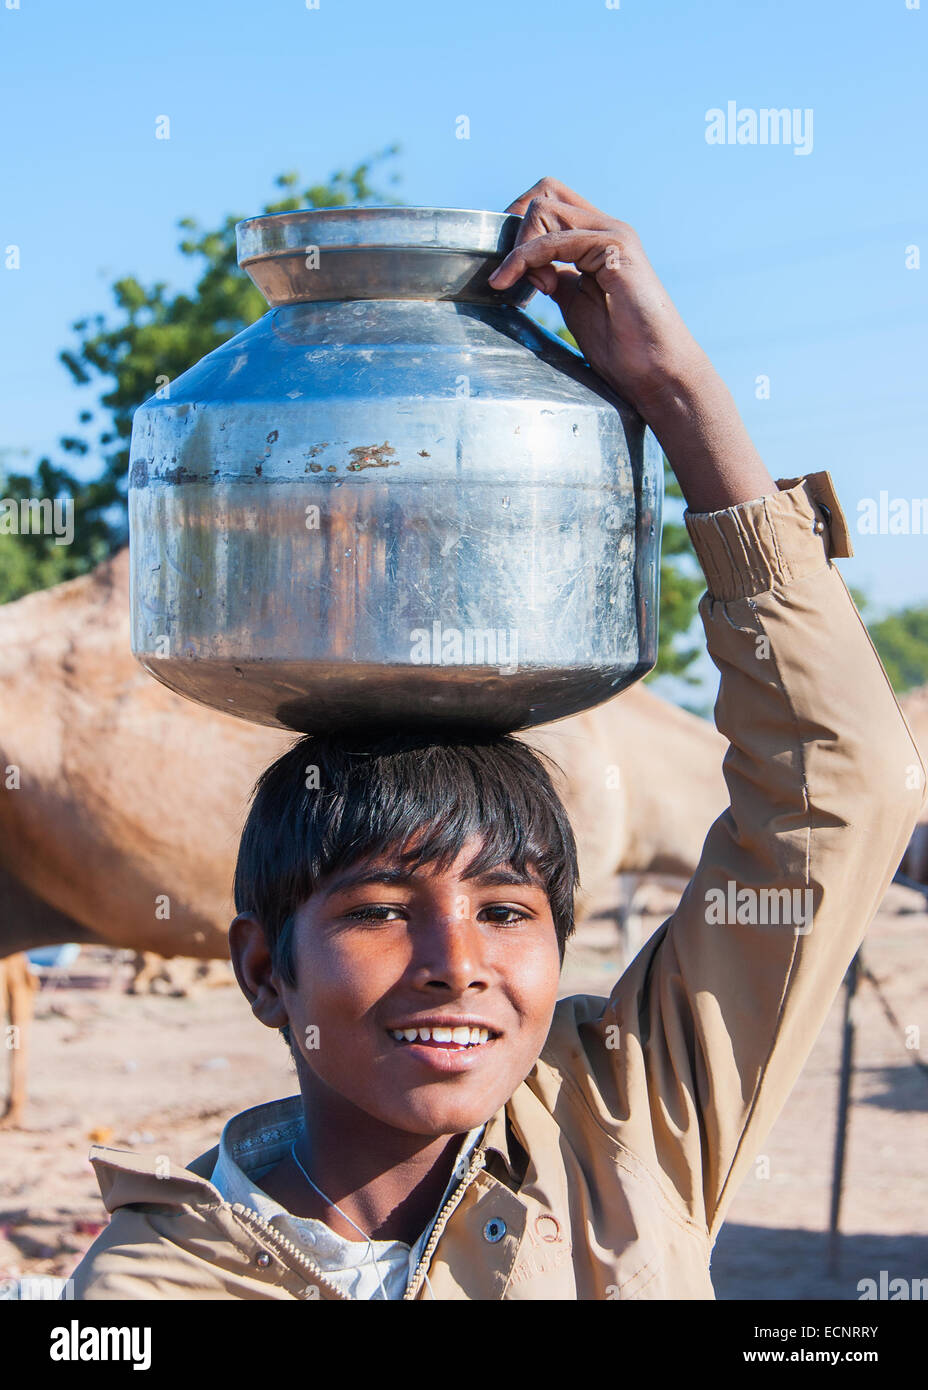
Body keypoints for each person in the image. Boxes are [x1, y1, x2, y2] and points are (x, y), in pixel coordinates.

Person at [68, 178, 925, 1300]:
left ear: (562, 940)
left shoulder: (624, 1126)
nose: (458, 964)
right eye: (378, 910)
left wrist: (672, 389)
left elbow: (844, 784)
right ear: (262, 968)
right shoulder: (156, 1286)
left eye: (507, 911)